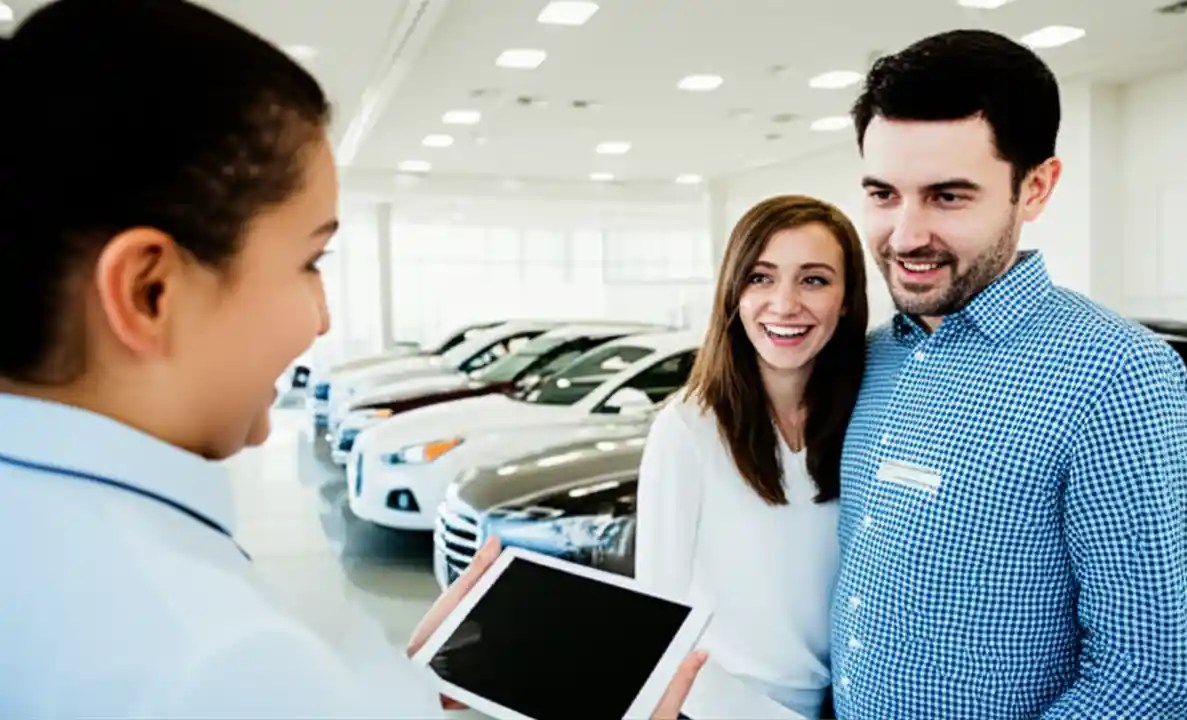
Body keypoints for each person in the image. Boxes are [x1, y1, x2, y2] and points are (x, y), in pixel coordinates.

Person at [0, 1, 703, 717]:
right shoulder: (218, 661)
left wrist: (403, 698)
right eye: (310, 260)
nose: (323, 318)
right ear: (150, 291)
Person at [829, 29, 1187, 719]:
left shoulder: (1119, 378)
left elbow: (1148, 685)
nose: (905, 235)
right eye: (883, 194)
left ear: (1035, 187)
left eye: (948, 197)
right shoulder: (874, 357)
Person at [637, 195, 869, 719]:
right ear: (733, 294)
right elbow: (655, 609)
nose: (784, 304)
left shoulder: (864, 416)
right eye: (761, 278)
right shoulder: (688, 429)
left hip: (844, 703)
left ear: (848, 299)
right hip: (723, 706)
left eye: (814, 280)